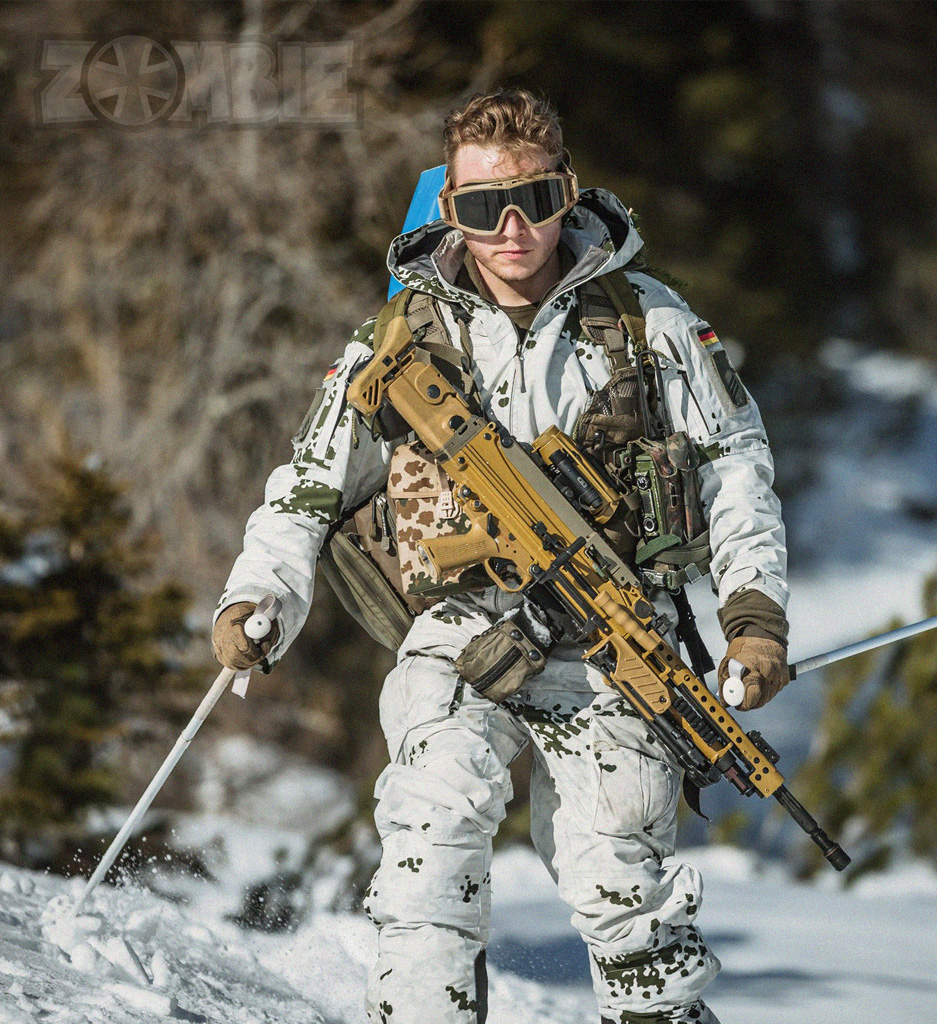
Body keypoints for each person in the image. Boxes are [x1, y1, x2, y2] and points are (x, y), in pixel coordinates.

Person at [212, 88, 790, 1024]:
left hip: (616, 641)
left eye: (533, 198)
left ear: (570, 192)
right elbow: (307, 488)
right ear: (451, 209)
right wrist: (259, 600)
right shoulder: (401, 339)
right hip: (458, 631)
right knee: (426, 861)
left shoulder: (655, 326)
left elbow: (737, 475)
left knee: (624, 890)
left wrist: (753, 617)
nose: (511, 228)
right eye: (483, 206)